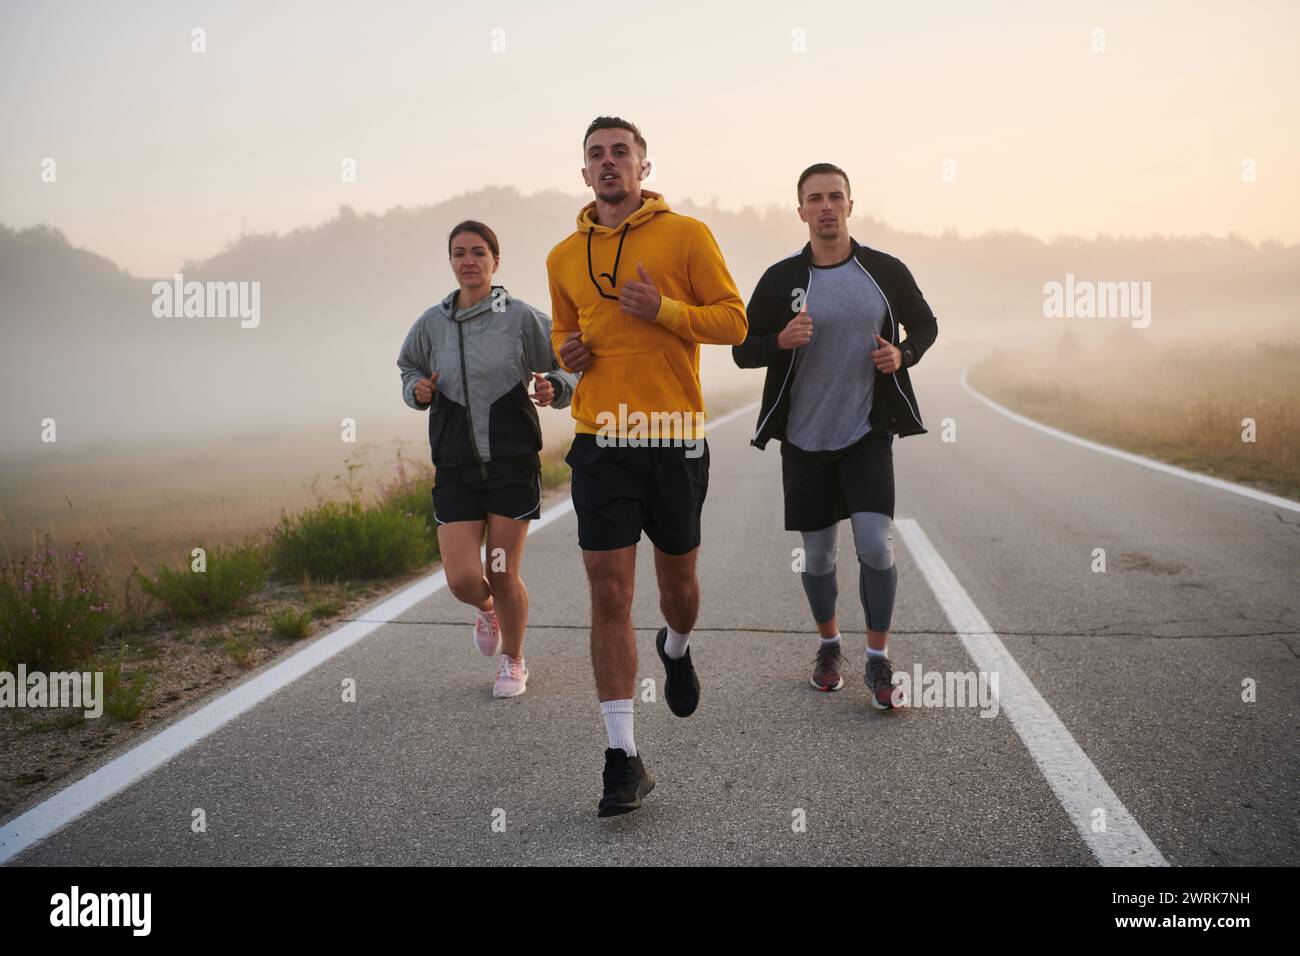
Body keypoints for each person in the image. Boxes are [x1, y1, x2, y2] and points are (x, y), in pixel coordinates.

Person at [546, 116, 747, 815]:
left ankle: (678, 643)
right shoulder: (564, 255)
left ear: (642, 166)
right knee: (607, 592)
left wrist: (662, 308)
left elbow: (733, 322)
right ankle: (621, 758)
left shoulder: (686, 236)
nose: (608, 164)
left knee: (679, 584)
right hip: (601, 439)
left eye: (620, 153)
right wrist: (566, 358)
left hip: (674, 435)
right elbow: (565, 336)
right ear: (583, 174)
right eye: (596, 155)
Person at [733, 163, 938, 710]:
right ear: (800, 210)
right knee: (819, 558)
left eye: (835, 197)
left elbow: (925, 324)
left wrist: (903, 354)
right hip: (804, 440)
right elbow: (741, 349)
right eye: (815, 198)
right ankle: (829, 646)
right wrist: (778, 340)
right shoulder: (781, 280)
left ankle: (878, 659)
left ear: (850, 205)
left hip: (867, 432)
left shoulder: (884, 270)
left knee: (875, 543)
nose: (826, 206)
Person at [398, 220, 577, 698]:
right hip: (455, 464)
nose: (469, 261)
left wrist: (556, 386)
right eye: (459, 253)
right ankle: (488, 608)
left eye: (478, 252)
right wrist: (416, 390)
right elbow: (408, 367)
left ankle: (513, 661)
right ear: (451, 262)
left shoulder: (519, 317)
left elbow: (568, 359)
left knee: (501, 570)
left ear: (496, 261)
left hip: (511, 463)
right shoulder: (431, 323)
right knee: (461, 579)